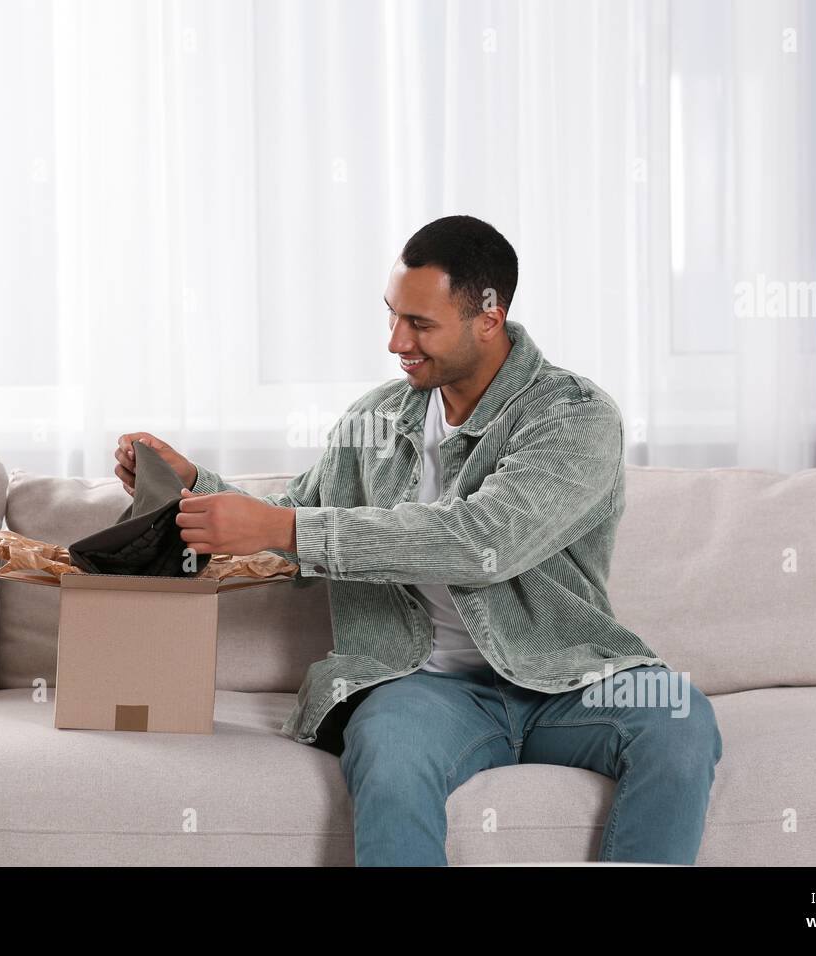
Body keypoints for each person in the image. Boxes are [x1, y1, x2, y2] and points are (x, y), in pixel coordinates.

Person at [113, 214, 723, 866]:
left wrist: (287, 527)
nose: (396, 340)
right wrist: (194, 486)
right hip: (419, 684)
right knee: (391, 756)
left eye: (420, 324)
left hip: (566, 675)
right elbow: (297, 516)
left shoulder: (573, 415)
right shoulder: (374, 419)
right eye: (392, 316)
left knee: (680, 725)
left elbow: (485, 540)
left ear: (489, 317)